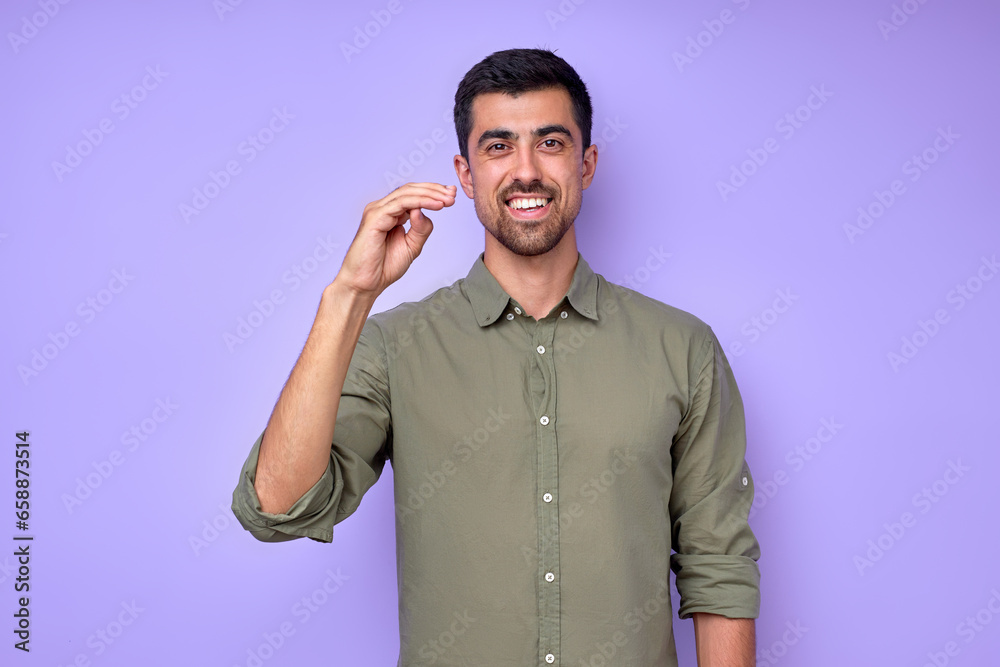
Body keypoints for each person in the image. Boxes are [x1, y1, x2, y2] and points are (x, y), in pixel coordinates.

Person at [232, 48, 761, 666]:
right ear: (465, 172)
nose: (527, 170)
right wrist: (349, 296)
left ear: (587, 163)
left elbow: (718, 564)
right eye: (498, 146)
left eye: (552, 143)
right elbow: (277, 507)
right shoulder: (393, 347)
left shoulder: (683, 348)